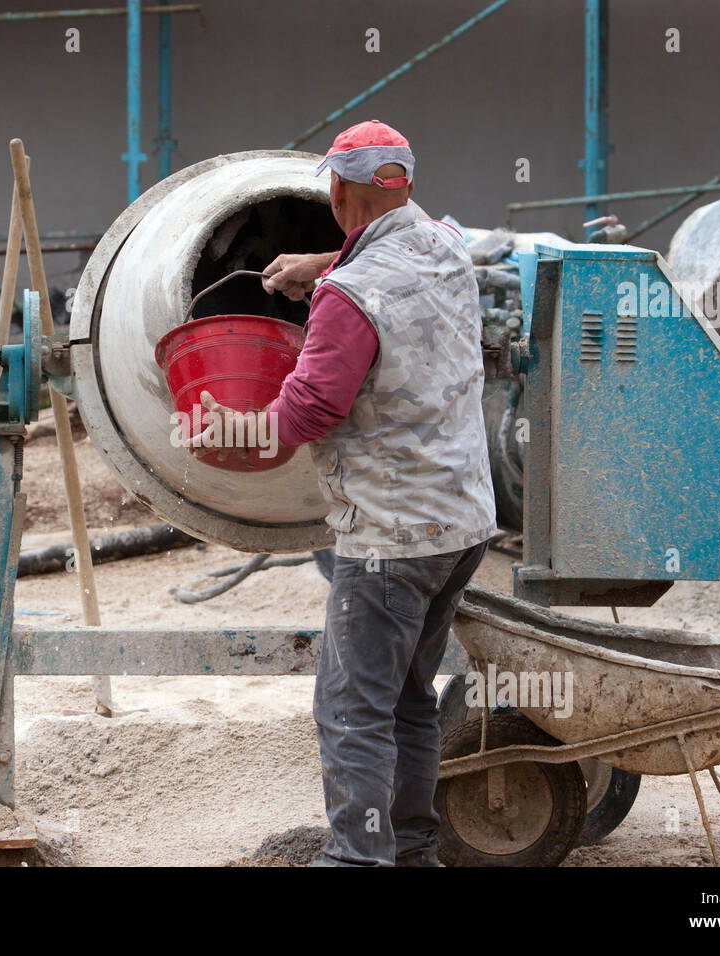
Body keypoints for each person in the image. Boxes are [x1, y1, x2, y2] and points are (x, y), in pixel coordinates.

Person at [200, 119, 497, 866]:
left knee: (351, 708)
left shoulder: (348, 295)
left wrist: (229, 433)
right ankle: (414, 850)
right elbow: (391, 258)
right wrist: (322, 262)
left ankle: (356, 858)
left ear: (336, 188)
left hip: (390, 537)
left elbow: (309, 410)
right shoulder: (447, 246)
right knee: (407, 700)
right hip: (461, 524)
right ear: (404, 183)